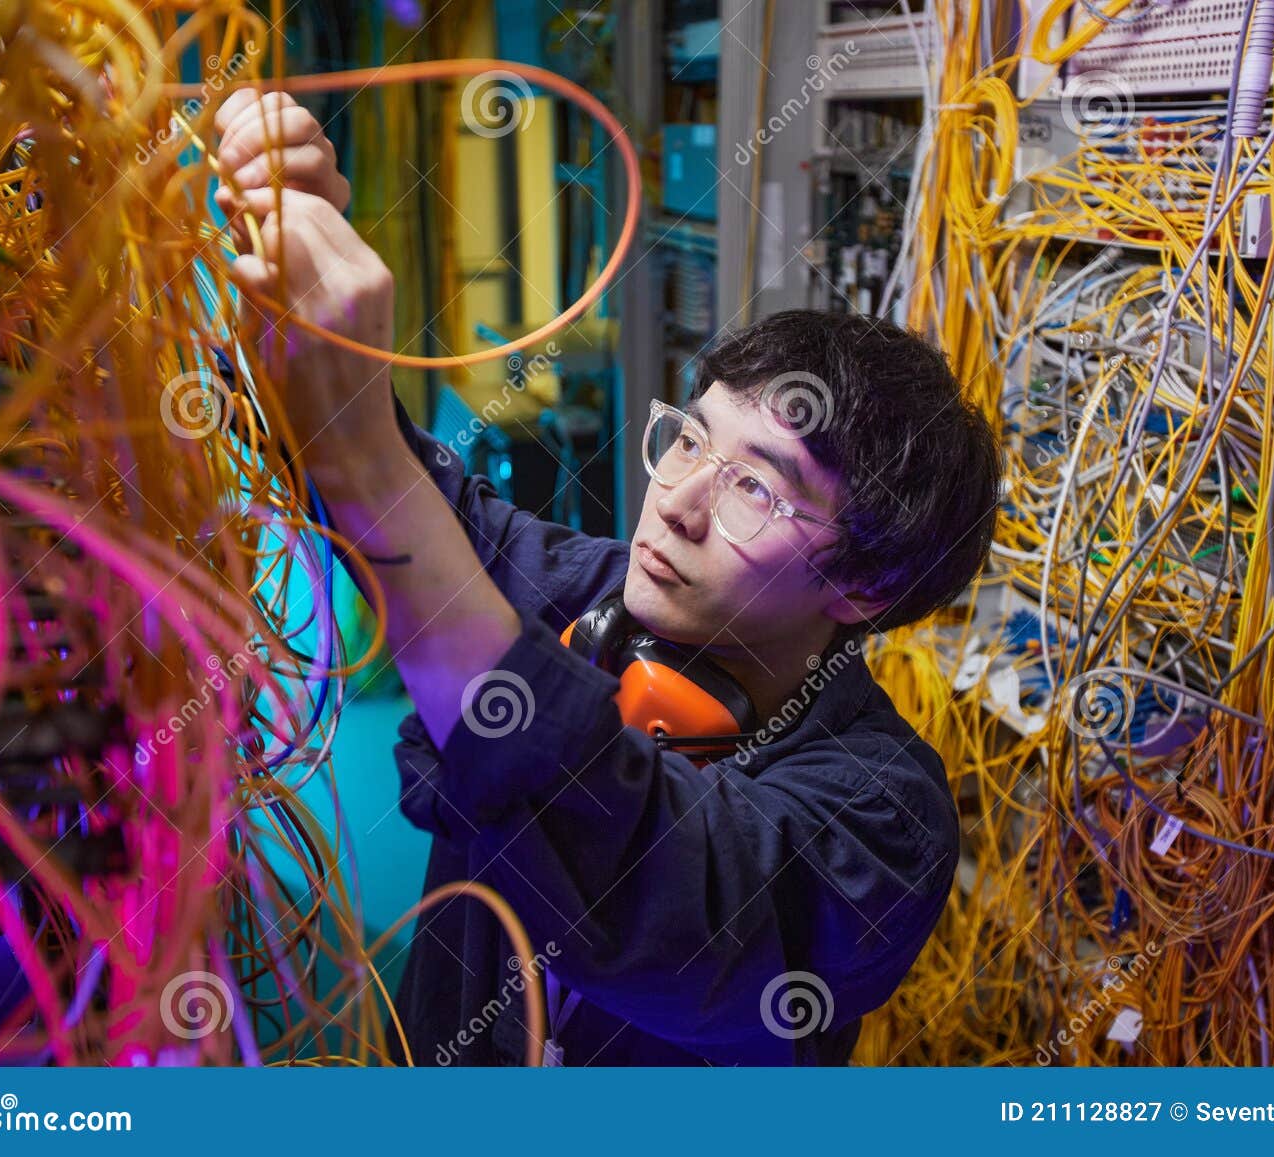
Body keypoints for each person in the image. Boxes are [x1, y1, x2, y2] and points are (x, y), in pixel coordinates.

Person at [212, 90, 1001, 1065]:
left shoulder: (883, 822)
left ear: (865, 586)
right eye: (689, 440)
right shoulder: (592, 598)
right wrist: (289, 255)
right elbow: (424, 507)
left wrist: (367, 462)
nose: (675, 502)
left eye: (755, 489)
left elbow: (662, 895)